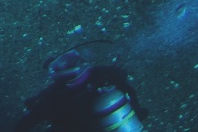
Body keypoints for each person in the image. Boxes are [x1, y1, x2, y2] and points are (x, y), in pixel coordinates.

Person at [13, 52, 147, 131]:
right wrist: (138, 110)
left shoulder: (53, 96)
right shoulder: (103, 74)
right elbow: (124, 82)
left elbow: (28, 120)